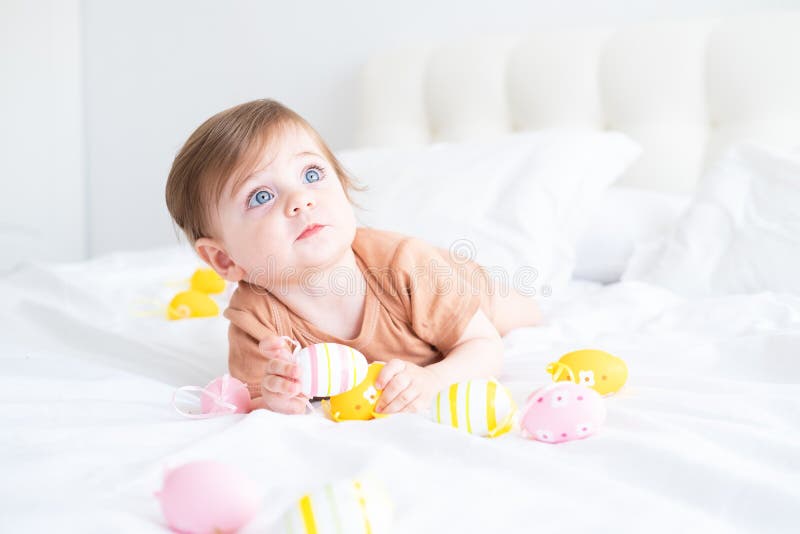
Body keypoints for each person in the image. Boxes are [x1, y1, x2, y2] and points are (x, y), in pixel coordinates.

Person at [165, 99, 540, 416]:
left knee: (522, 313)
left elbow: (484, 346)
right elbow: (255, 397)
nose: (301, 200)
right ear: (224, 260)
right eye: (261, 196)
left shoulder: (406, 265)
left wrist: (434, 379)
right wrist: (277, 396)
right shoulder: (257, 322)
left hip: (455, 282)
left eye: (311, 174)